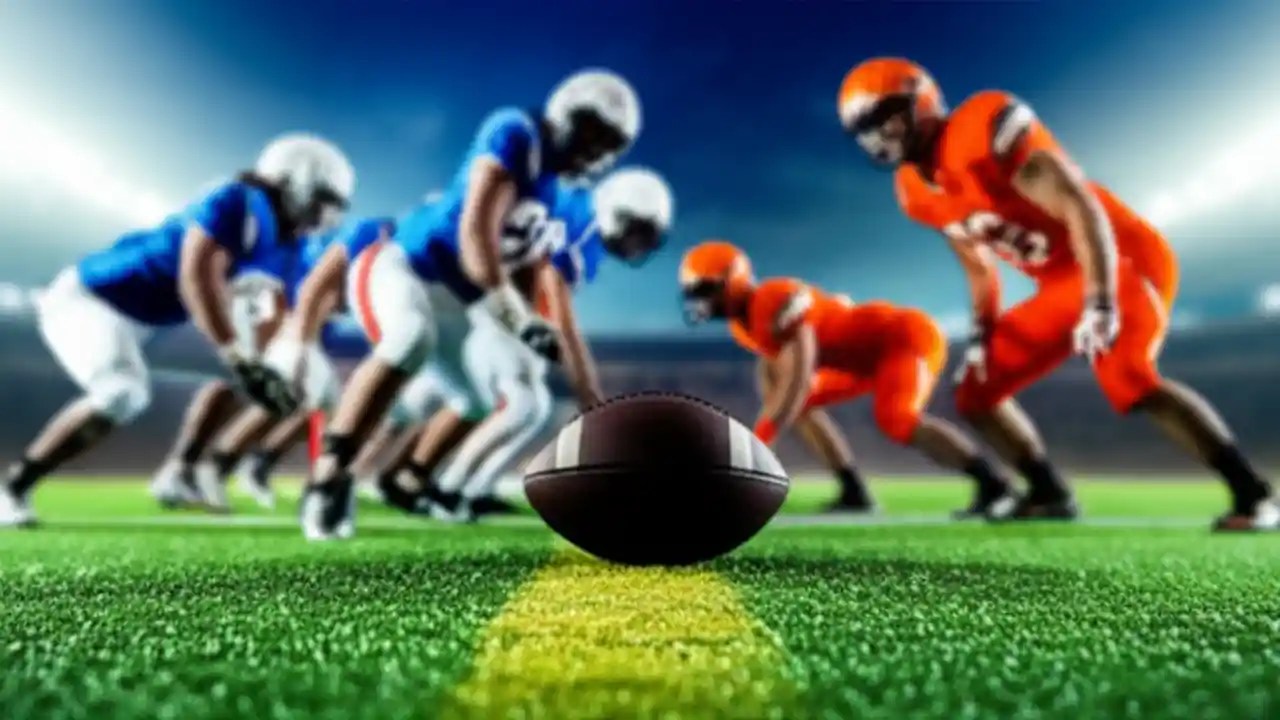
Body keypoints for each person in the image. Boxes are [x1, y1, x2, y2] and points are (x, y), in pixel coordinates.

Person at [837, 57, 1278, 529]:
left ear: (920, 101)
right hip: (1059, 285)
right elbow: (979, 267)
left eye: (889, 118)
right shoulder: (913, 191)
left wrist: (1101, 299)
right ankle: (1048, 492)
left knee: (1128, 375)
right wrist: (982, 337)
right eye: (868, 129)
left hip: (1121, 258)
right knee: (975, 392)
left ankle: (1254, 495)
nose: (881, 137)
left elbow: (1079, 203)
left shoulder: (980, 128)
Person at [290, 68, 643, 540]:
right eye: (592, 135)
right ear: (566, 116)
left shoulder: (558, 195)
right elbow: (475, 233)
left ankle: (407, 475)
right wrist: (516, 317)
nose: (594, 152)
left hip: (459, 298)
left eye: (607, 145)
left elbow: (521, 267)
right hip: (405, 265)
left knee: (478, 399)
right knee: (410, 335)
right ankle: (329, 476)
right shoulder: (517, 133)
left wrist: (526, 327)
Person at [0, 134, 355, 527]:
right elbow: (197, 276)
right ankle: (14, 487)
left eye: (335, 206)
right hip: (95, 300)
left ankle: (180, 472)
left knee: (260, 369)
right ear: (292, 181)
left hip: (160, 322)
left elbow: (277, 313)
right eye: (323, 199)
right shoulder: (238, 201)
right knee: (123, 392)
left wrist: (275, 369)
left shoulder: (293, 248)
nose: (326, 216)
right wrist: (237, 356)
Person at [679, 241, 1016, 516]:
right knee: (796, 405)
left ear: (733, 279)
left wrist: (762, 440)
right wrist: (768, 421)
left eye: (706, 289)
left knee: (896, 419)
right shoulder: (745, 326)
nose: (702, 300)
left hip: (903, 339)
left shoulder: (771, 300)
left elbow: (799, 371)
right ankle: (853, 490)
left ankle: (993, 484)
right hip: (862, 362)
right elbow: (778, 377)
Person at [419, 166, 675, 523]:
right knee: (520, 403)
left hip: (501, 305)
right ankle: (446, 489)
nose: (639, 245)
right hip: (487, 301)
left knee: (534, 405)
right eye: (637, 232)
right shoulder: (584, 230)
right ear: (617, 213)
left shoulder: (582, 219)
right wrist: (587, 389)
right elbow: (560, 310)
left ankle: (472, 488)